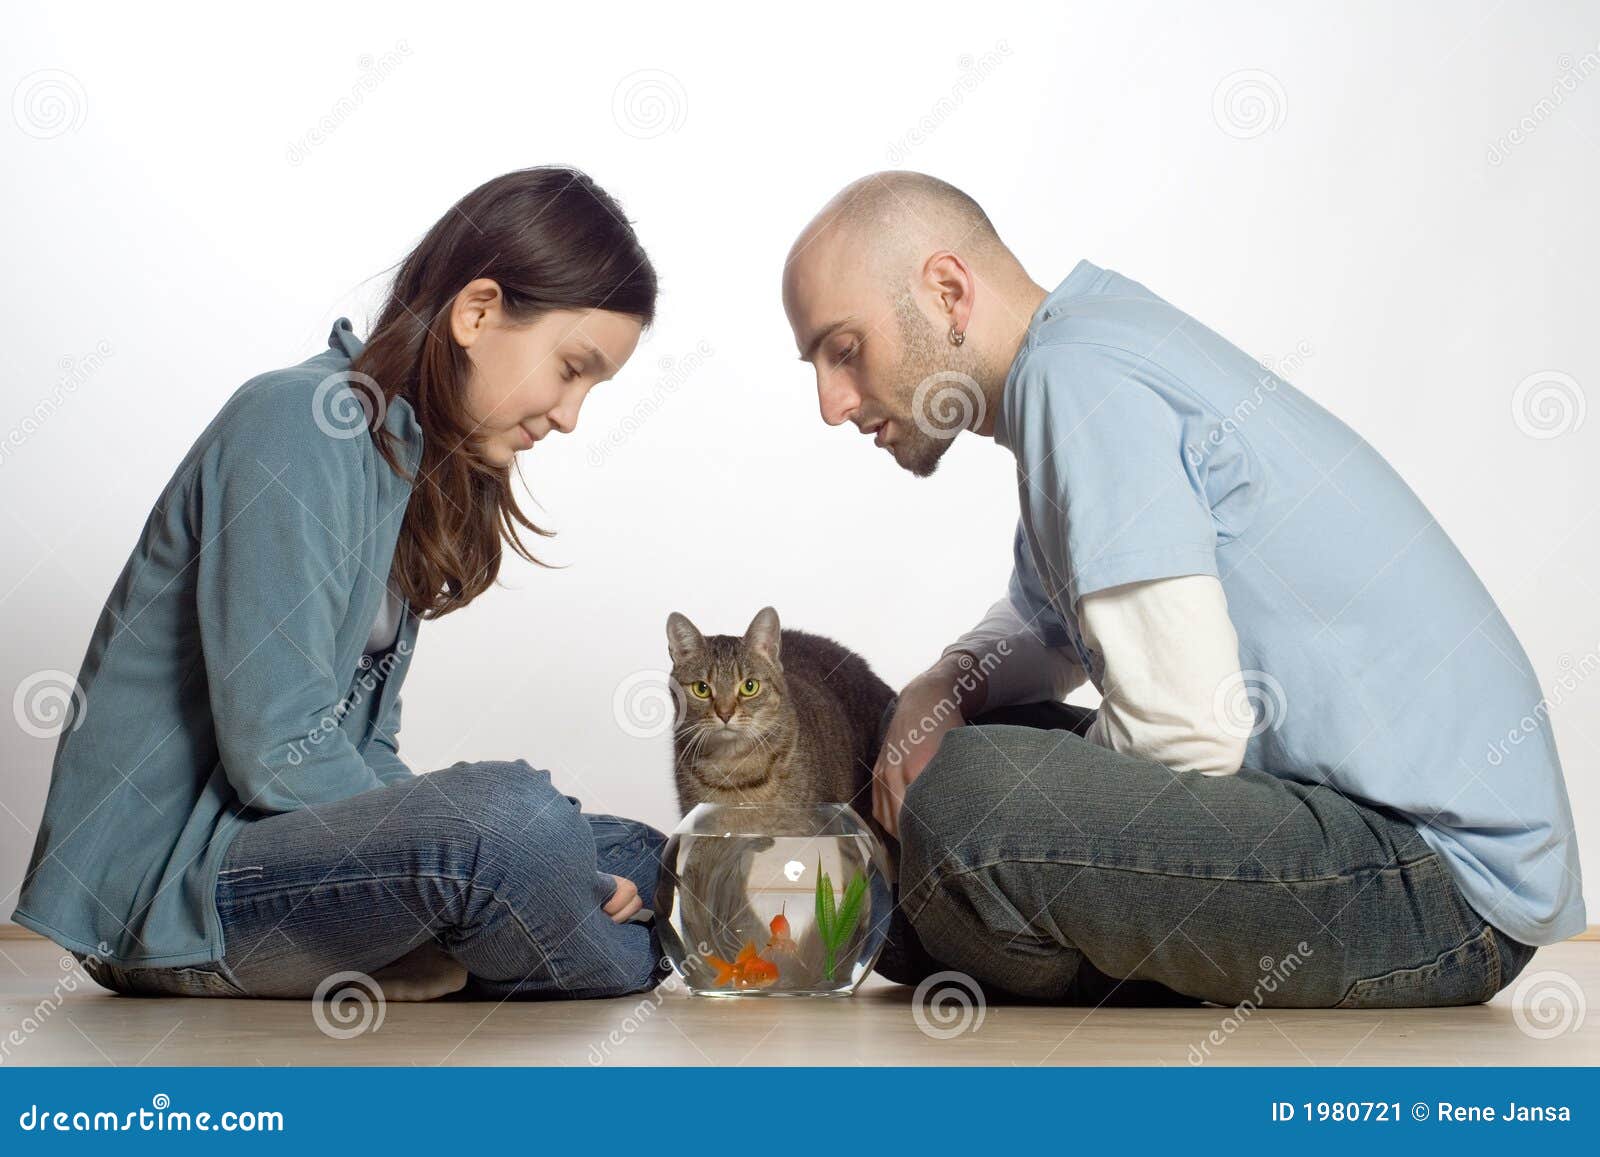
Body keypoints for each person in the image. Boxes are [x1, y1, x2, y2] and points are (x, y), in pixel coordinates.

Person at [782, 171, 1585, 1007]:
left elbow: (1186, 729)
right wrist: (939, 690)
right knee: (953, 747)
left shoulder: (1078, 379)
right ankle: (961, 916)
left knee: (964, 799)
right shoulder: (1077, 351)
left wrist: (981, 825)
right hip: (1349, 830)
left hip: (1437, 887)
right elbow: (1046, 623)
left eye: (844, 350)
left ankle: (956, 917)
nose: (831, 405)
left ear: (947, 290)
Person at [11, 166, 671, 1002]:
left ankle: (481, 939)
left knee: (636, 852)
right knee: (518, 822)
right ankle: (552, 945)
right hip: (173, 896)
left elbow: (366, 748)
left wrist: (495, 846)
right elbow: (276, 753)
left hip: (285, 856)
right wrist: (491, 842)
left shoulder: (413, 468)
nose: (571, 415)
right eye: (570, 369)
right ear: (477, 312)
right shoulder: (301, 421)